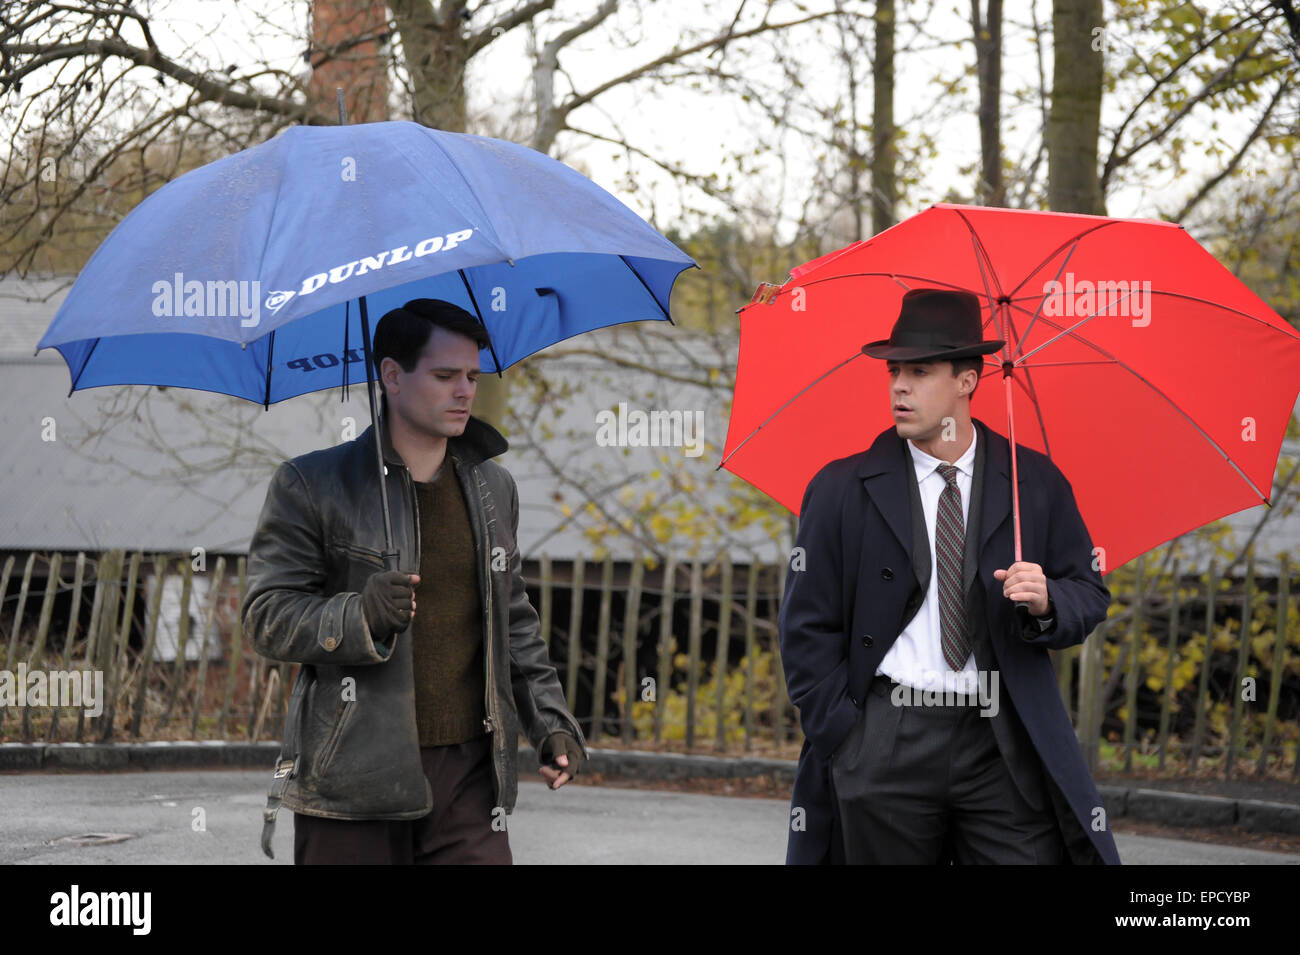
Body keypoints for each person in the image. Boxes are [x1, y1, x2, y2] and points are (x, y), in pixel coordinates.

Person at [779, 287, 1120, 864]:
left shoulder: (1033, 482)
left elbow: (1089, 592)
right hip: (884, 739)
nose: (899, 387)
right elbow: (805, 626)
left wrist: (1048, 600)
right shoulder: (840, 488)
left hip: (1000, 742)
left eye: (920, 371)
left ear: (967, 380)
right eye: (894, 371)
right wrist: (844, 734)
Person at [243, 297, 587, 865]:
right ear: (392, 375)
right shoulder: (311, 483)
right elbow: (266, 616)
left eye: (473, 376)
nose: (464, 392)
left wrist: (550, 721)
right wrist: (359, 615)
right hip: (354, 775)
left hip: (470, 780)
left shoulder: (492, 487)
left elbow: (513, 620)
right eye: (446, 375)